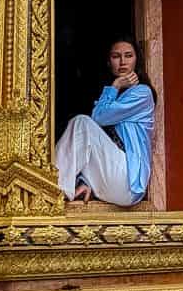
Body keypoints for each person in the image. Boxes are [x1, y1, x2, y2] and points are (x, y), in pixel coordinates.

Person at [55, 39, 154, 206]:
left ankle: (53, 189)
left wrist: (115, 86)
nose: (122, 61)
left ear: (137, 60)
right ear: (109, 63)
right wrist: (85, 181)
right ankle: (71, 185)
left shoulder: (142, 93)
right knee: (84, 128)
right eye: (116, 56)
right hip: (112, 181)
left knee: (81, 123)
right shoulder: (113, 97)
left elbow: (99, 118)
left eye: (128, 56)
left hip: (128, 181)